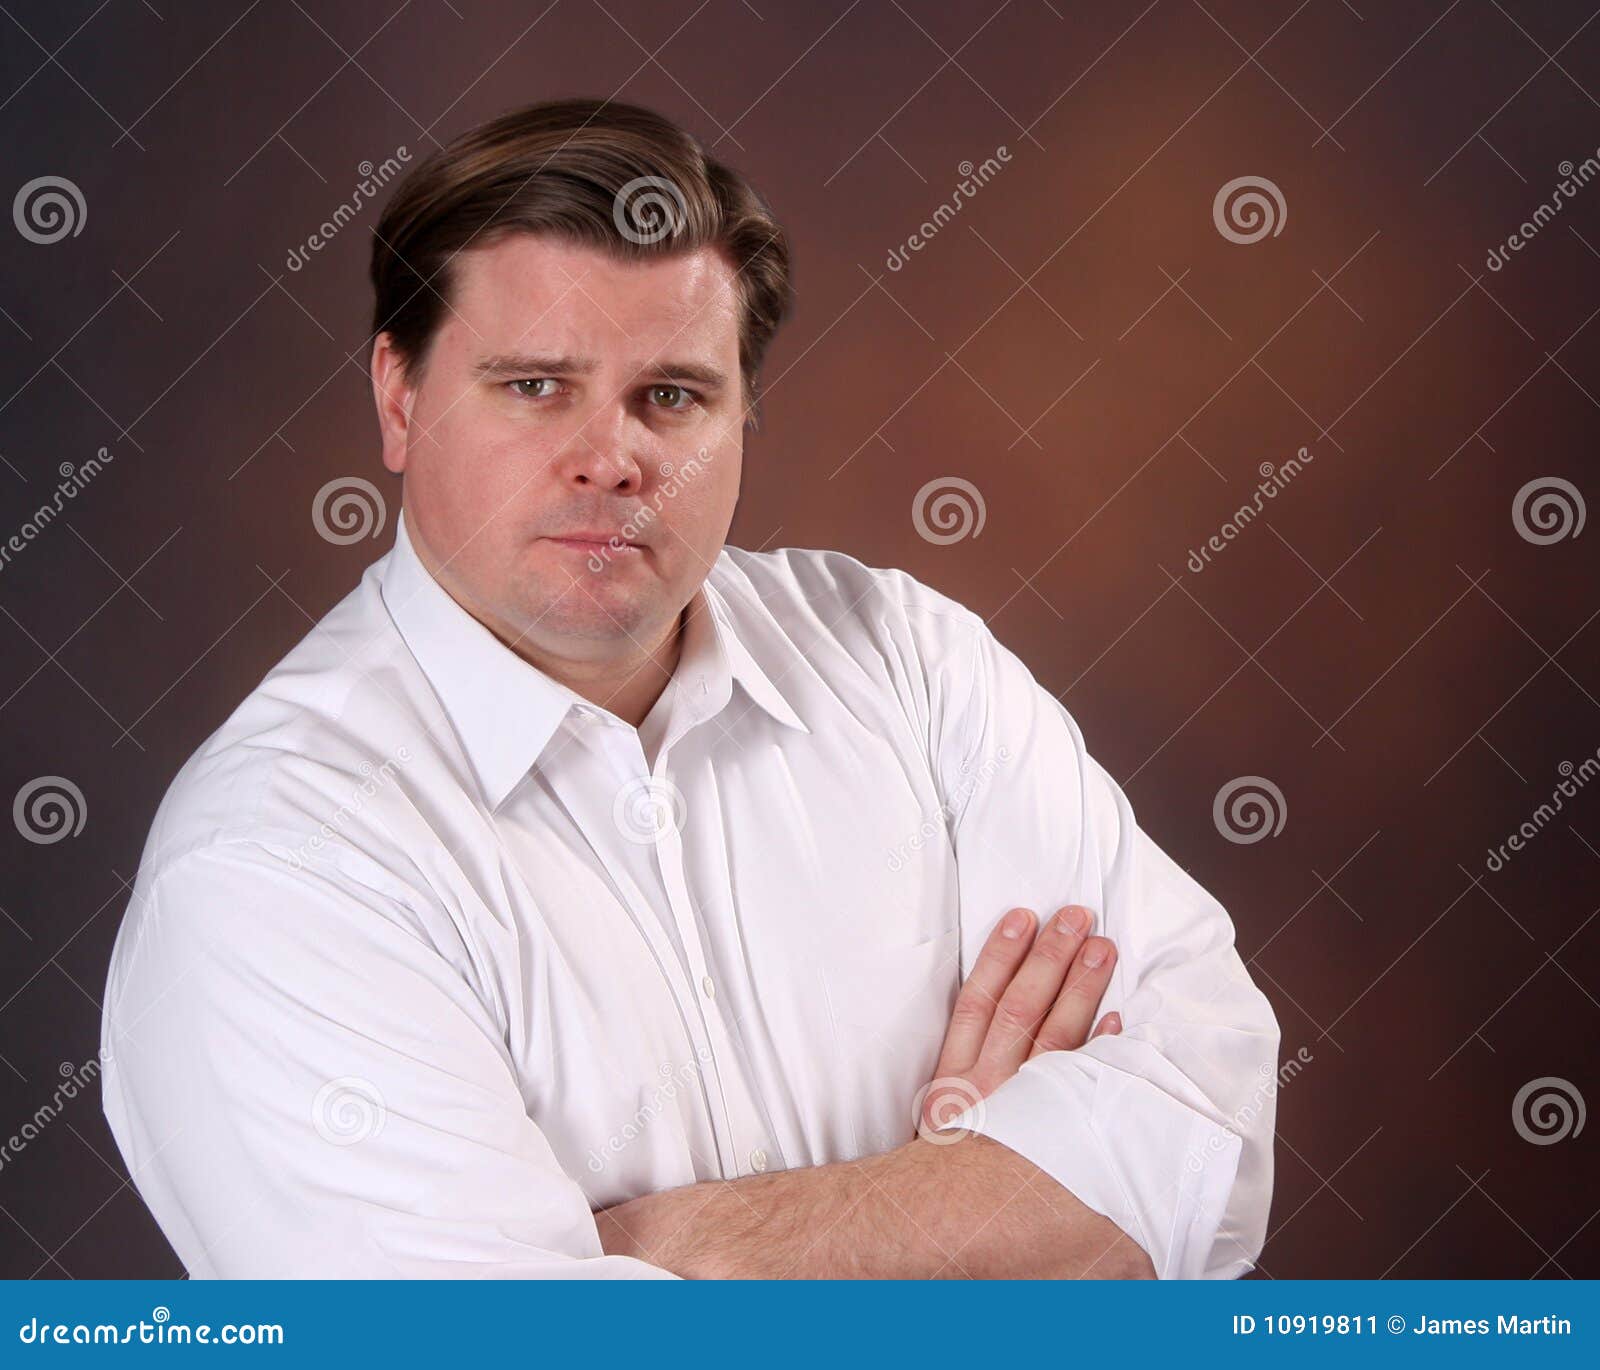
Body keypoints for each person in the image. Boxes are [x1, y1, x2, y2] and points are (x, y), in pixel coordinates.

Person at [100, 98, 1278, 1280]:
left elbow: (1210, 1135)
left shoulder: (911, 664)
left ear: (743, 415)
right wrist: (988, 1197)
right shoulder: (277, 860)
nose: (611, 456)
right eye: (534, 386)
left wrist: (681, 1247)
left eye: (672, 394)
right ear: (400, 398)